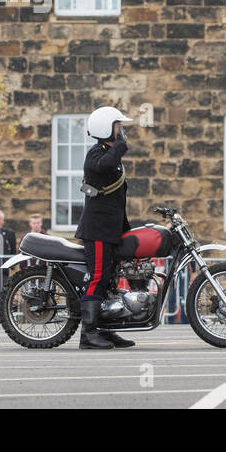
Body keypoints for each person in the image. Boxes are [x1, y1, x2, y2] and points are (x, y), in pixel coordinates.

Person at [76, 106, 136, 350]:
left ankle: (105, 329)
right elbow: (105, 166)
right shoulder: (96, 155)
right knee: (97, 277)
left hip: (110, 230)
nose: (121, 131)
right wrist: (121, 144)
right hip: (98, 231)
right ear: (106, 128)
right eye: (117, 126)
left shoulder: (109, 154)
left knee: (110, 280)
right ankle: (88, 334)